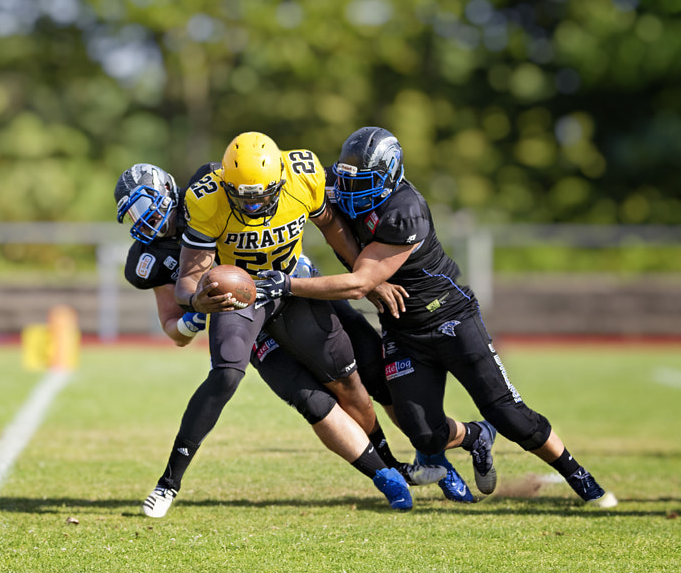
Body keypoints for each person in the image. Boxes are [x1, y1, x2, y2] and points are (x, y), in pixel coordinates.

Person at [255, 126, 617, 508]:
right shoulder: (338, 180)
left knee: (508, 414)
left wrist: (287, 284)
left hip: (449, 318)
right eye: (348, 180)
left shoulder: (405, 211)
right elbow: (290, 185)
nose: (351, 190)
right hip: (402, 330)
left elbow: (360, 281)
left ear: (389, 176)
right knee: (424, 435)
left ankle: (581, 479)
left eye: (364, 183)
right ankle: (477, 436)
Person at [115, 162, 445, 515]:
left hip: (289, 288)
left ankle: (430, 457)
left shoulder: (208, 191)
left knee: (365, 369)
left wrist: (363, 275)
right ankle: (388, 473)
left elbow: (273, 197)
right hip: (243, 316)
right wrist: (192, 317)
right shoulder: (149, 258)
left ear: (167, 189)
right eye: (132, 214)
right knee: (307, 398)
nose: (143, 218)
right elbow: (172, 326)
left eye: (144, 204)